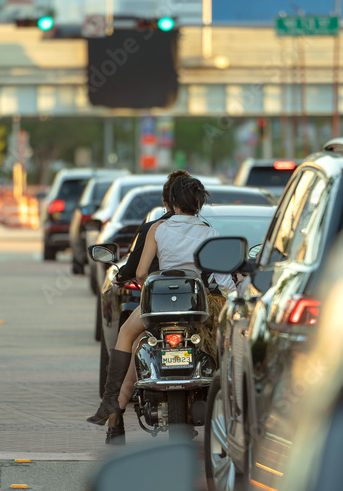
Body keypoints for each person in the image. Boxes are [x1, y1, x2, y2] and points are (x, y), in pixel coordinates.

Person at [87, 175, 235, 444]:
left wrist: (149, 287)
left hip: (158, 306)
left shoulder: (158, 229)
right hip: (195, 307)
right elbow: (224, 282)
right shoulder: (210, 233)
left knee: (127, 336)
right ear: (199, 203)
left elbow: (142, 272)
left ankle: (113, 409)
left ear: (173, 203)